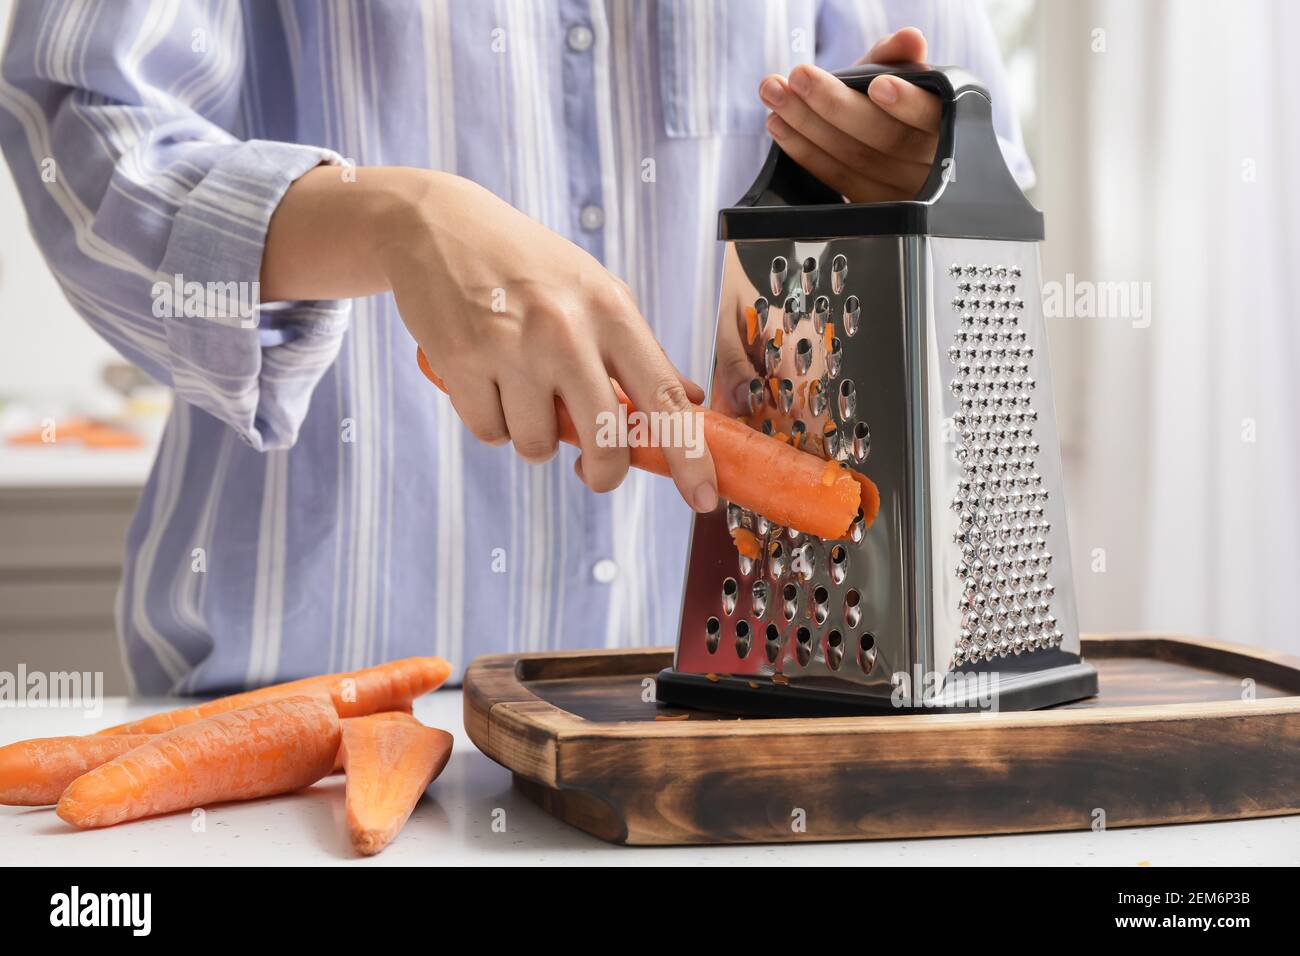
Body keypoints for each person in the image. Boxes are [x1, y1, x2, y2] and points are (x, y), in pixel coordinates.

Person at [0, 1, 1030, 694]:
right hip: (298, 728)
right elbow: (78, 126)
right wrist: (394, 218)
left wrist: (917, 155)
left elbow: (983, 141)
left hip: (723, 729)